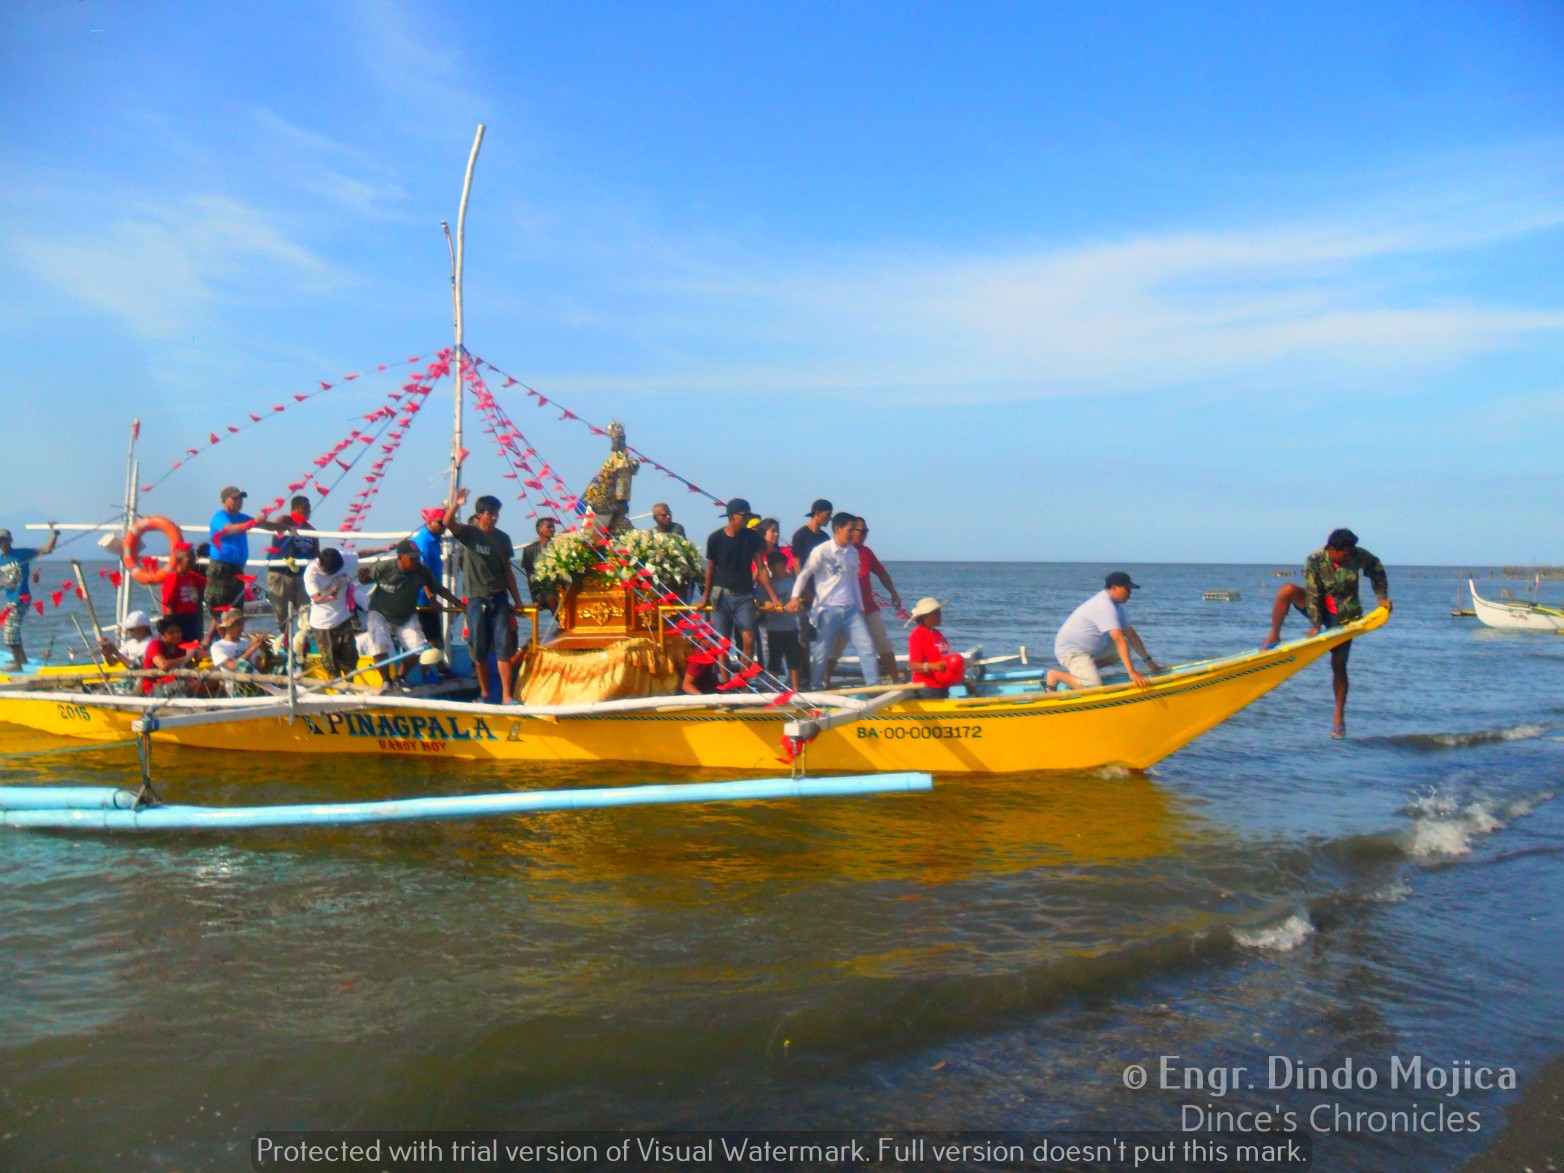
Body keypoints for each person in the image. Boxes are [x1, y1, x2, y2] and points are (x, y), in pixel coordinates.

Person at [1261, 527, 1392, 738]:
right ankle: (1274, 634)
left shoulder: (1359, 556)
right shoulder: (1315, 560)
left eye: (1351, 553)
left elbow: (1376, 570)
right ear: (1332, 549)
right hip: (1320, 608)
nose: (1349, 557)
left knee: (1338, 664)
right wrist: (1315, 625)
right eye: (1345, 554)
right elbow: (1312, 594)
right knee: (1286, 590)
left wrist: (1381, 597)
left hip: (1345, 617)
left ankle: (1339, 714)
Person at [444, 489, 526, 704]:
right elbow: (447, 521)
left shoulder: (503, 539)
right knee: (479, 650)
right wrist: (457, 503)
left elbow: (508, 571)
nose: (493, 517)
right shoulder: (470, 533)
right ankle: (485, 693)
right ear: (480, 514)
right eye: (489, 513)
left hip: (498, 599)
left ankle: (507, 696)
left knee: (503, 649)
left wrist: (517, 600)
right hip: (475, 599)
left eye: (496, 513)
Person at [788, 511, 880, 689]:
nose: (853, 534)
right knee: (823, 651)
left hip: (851, 610)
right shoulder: (822, 551)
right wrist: (794, 597)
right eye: (850, 530)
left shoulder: (853, 553)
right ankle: (816, 686)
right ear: (837, 529)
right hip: (828, 609)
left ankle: (874, 687)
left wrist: (860, 606)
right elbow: (804, 573)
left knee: (867, 646)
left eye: (855, 530)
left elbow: (854, 581)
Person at [359, 540, 463, 692]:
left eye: (417, 557)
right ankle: (386, 681)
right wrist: (362, 574)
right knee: (379, 645)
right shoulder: (385, 567)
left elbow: (439, 589)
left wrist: (458, 604)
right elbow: (365, 579)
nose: (416, 561)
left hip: (406, 615)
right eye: (412, 558)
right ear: (401, 557)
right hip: (380, 613)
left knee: (418, 649)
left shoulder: (422, 571)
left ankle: (399, 678)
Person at [700, 498, 780, 677]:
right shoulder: (716, 538)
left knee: (749, 639)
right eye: (743, 515)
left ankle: (742, 680)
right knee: (723, 642)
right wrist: (705, 597)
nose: (746, 519)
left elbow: (761, 568)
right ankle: (726, 681)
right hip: (721, 594)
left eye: (748, 515)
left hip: (744, 594)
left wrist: (774, 598)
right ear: (731, 516)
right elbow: (710, 569)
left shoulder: (754, 538)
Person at [1047, 572, 1162, 691]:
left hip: (1092, 651)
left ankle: (1085, 673)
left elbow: (1131, 635)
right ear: (1114, 588)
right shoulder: (1104, 605)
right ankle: (1056, 675)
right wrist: (1132, 672)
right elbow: (1118, 639)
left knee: (1126, 647)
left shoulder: (1116, 606)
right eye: (1127, 589)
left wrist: (1150, 663)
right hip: (1071, 651)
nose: (1130, 593)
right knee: (1093, 686)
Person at [828, 517, 902, 681]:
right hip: (845, 610)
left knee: (882, 642)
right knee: (836, 646)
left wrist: (893, 593)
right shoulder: (838, 551)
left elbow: (881, 572)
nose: (864, 534)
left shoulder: (866, 552)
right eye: (862, 531)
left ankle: (896, 680)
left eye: (866, 531)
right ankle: (823, 681)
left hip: (868, 607)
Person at [207, 486, 294, 617]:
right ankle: (217, 635)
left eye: (240, 498)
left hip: (237, 569)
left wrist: (284, 527)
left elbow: (263, 525)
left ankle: (230, 634)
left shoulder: (241, 517)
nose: (239, 501)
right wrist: (253, 522)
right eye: (235, 498)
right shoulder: (220, 516)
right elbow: (231, 529)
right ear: (225, 500)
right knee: (220, 606)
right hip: (221, 568)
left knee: (236, 607)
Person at [265, 494, 319, 661]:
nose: (308, 510)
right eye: (305, 507)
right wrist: (290, 525)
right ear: (296, 508)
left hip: (301, 575)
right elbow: (276, 523)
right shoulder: (285, 521)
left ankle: (303, 645)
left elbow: (316, 554)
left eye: (309, 507)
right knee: (282, 613)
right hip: (280, 573)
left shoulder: (311, 530)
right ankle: (286, 641)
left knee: (306, 612)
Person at [1, 523, 59, 670]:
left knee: (10, 631)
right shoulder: (1, 559)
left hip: (21, 598)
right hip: (11, 599)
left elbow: (47, 550)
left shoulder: (22, 553)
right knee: (10, 627)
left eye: (5, 540)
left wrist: (55, 533)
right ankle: (22, 659)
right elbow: (4, 580)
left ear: (10, 541)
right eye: (0, 541)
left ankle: (17, 664)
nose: (3, 544)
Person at [304, 547, 361, 681]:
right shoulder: (311, 573)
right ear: (322, 566)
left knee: (350, 657)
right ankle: (337, 688)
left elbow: (360, 553)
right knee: (330, 662)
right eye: (332, 571)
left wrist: (384, 548)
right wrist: (329, 595)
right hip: (323, 625)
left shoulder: (342, 557)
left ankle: (350, 688)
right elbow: (316, 599)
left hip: (344, 618)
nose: (335, 573)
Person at [789, 499, 832, 658]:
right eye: (827, 514)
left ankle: (819, 672)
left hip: (822, 591)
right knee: (805, 634)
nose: (829, 518)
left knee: (824, 634)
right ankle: (803, 673)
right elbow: (797, 564)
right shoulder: (801, 535)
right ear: (817, 513)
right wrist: (805, 590)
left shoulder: (826, 537)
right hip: (805, 590)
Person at [756, 549, 803, 691]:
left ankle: (795, 688)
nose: (784, 569)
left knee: (793, 660)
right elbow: (760, 600)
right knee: (774, 660)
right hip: (774, 630)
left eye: (784, 565)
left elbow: (798, 599)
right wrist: (767, 603)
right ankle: (773, 688)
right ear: (770, 568)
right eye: (780, 566)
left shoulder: (791, 583)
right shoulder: (765, 586)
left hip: (792, 628)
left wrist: (794, 604)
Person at [208, 609, 271, 696]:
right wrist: (252, 648)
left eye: (242, 624)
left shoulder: (245, 642)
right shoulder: (217, 647)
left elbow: (259, 667)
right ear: (228, 627)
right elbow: (233, 666)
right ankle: (273, 691)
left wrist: (264, 651)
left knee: (281, 657)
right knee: (244, 666)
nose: (241, 628)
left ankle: (278, 689)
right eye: (238, 624)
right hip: (237, 689)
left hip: (256, 683)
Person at [410, 508, 448, 650]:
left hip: (431, 595)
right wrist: (431, 599)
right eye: (440, 522)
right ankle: (428, 671)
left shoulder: (435, 538)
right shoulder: (423, 542)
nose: (443, 526)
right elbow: (421, 573)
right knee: (430, 639)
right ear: (429, 522)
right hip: (422, 598)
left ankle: (439, 669)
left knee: (435, 637)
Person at [907, 597, 956, 699]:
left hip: (942, 686)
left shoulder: (937, 633)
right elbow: (913, 665)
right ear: (926, 617)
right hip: (927, 688)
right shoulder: (918, 634)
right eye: (936, 613)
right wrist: (932, 666)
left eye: (939, 612)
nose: (940, 616)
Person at [160, 545, 207, 645]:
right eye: (189, 560)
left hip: (192, 617)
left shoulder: (192, 576)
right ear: (179, 561)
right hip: (178, 619)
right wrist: (171, 627)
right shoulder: (173, 579)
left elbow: (207, 584)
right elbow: (168, 604)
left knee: (195, 643)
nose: (193, 562)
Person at [142, 615, 197, 696]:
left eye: (178, 631)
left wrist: (196, 648)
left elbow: (198, 652)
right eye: (171, 633)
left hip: (175, 683)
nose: (176, 635)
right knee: (188, 684)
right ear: (162, 635)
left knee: (203, 682)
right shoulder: (155, 645)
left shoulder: (180, 644)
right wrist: (186, 658)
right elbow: (163, 665)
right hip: (155, 688)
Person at [518, 517, 560, 611]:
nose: (552, 529)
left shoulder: (559, 547)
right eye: (549, 527)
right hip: (542, 592)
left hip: (559, 589)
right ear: (539, 529)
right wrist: (534, 600)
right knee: (551, 599)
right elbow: (530, 577)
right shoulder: (529, 550)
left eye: (553, 527)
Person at [99, 610, 154, 681]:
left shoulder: (151, 643)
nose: (128, 631)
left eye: (131, 629)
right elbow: (112, 663)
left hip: (143, 680)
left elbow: (136, 668)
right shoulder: (130, 643)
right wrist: (107, 653)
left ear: (142, 628)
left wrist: (115, 652)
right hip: (131, 678)